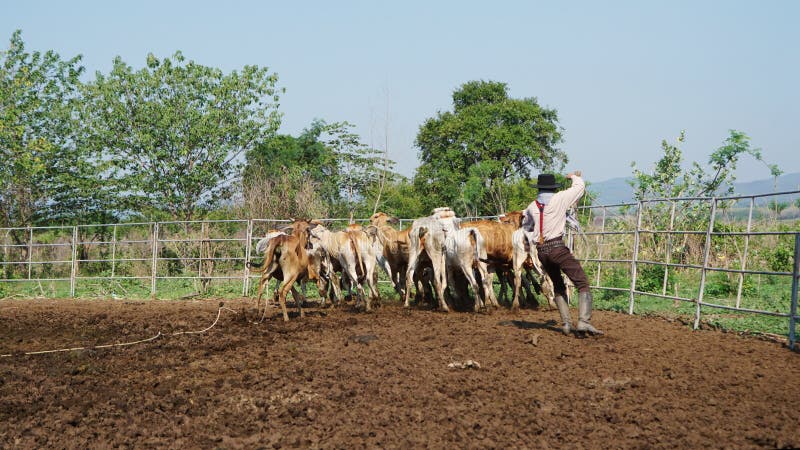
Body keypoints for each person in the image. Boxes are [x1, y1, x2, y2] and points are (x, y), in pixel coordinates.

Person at [523, 171, 603, 337]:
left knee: (558, 285)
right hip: (557, 248)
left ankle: (566, 324)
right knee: (582, 282)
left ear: (539, 188)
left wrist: (530, 243)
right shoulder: (560, 198)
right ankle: (584, 322)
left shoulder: (532, 206)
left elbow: (526, 228)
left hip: (541, 251)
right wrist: (573, 176)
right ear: (553, 187)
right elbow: (579, 187)